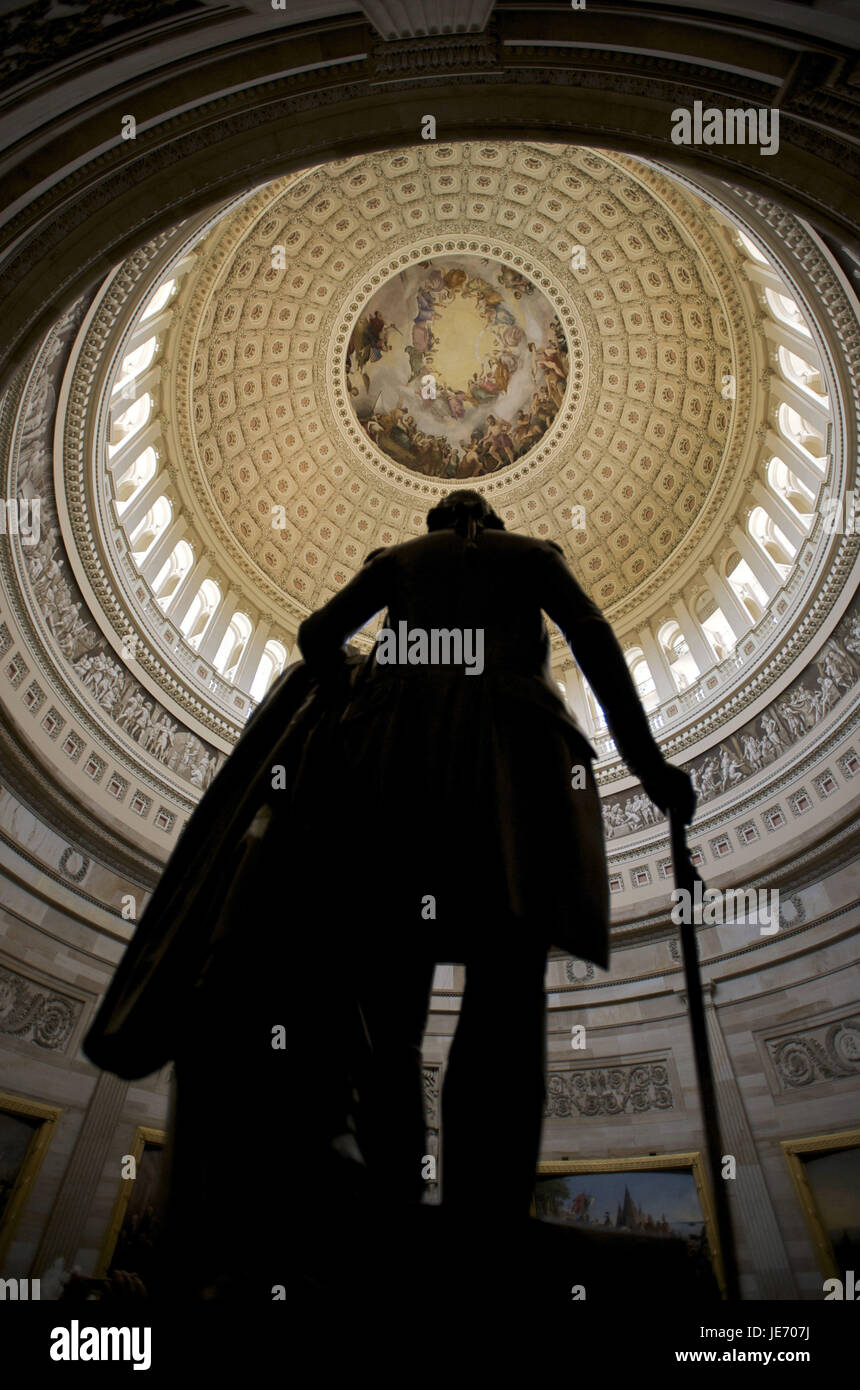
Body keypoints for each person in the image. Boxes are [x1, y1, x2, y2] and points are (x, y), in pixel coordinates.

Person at [297, 489, 694, 1219]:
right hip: (516, 759)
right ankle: (485, 1216)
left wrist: (353, 685)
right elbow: (596, 643)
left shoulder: (400, 561)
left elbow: (317, 633)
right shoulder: (533, 555)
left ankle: (392, 1200)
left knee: (389, 1008)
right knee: (508, 998)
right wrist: (648, 764)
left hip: (398, 756)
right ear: (492, 520)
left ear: (436, 521)